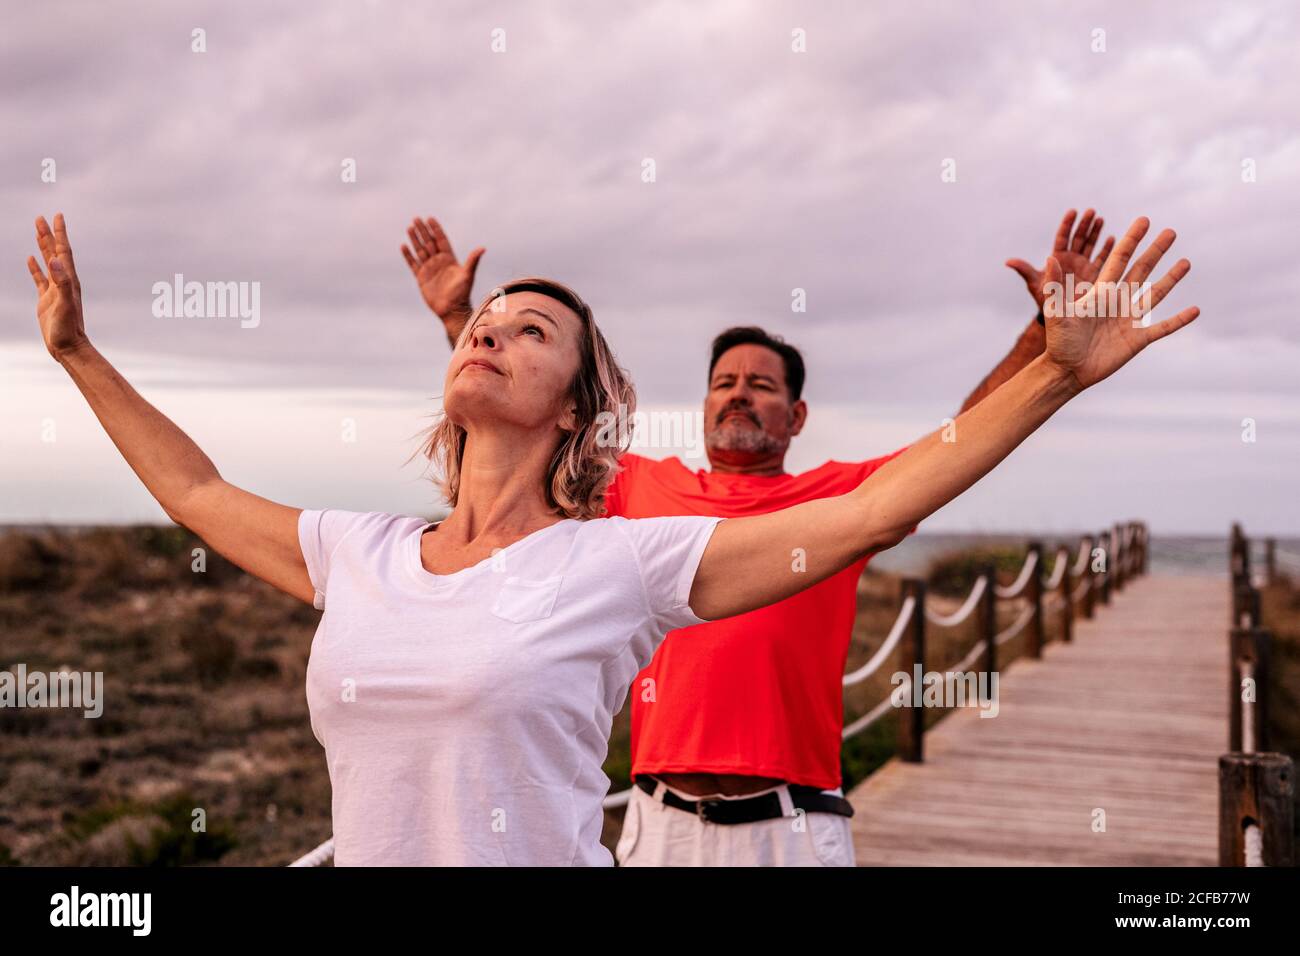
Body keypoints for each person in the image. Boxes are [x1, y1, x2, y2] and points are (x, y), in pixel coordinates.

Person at [28, 211, 1195, 866]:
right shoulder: (355, 548)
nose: (487, 334)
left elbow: (885, 503)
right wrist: (79, 351)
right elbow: (191, 486)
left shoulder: (624, 556)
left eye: (524, 330)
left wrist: (1050, 371)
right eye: (477, 327)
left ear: (578, 403)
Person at [401, 207, 1119, 866]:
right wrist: (463, 318)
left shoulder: (842, 498)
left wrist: (1043, 342)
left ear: (798, 416)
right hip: (658, 827)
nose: (738, 392)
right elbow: (521, 412)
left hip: (791, 829)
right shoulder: (632, 487)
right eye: (724, 381)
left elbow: (959, 442)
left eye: (762, 385)